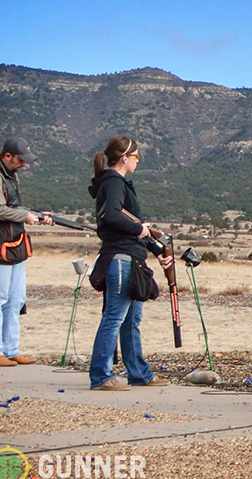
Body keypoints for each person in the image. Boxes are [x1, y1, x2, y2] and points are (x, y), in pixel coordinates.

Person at [87, 136, 171, 390]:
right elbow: (113, 217)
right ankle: (101, 376)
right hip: (121, 259)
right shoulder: (114, 183)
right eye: (135, 156)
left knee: (130, 320)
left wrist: (157, 250)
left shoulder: (117, 183)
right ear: (124, 158)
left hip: (132, 258)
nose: (137, 161)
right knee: (114, 317)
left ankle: (139, 373)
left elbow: (134, 227)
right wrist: (138, 228)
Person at [0, 138, 54, 366]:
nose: (24, 164)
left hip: (13, 241)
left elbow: (13, 207)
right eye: (20, 160)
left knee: (15, 298)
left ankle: (10, 349)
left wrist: (37, 215)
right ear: (7, 156)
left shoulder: (7, 174)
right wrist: (25, 216)